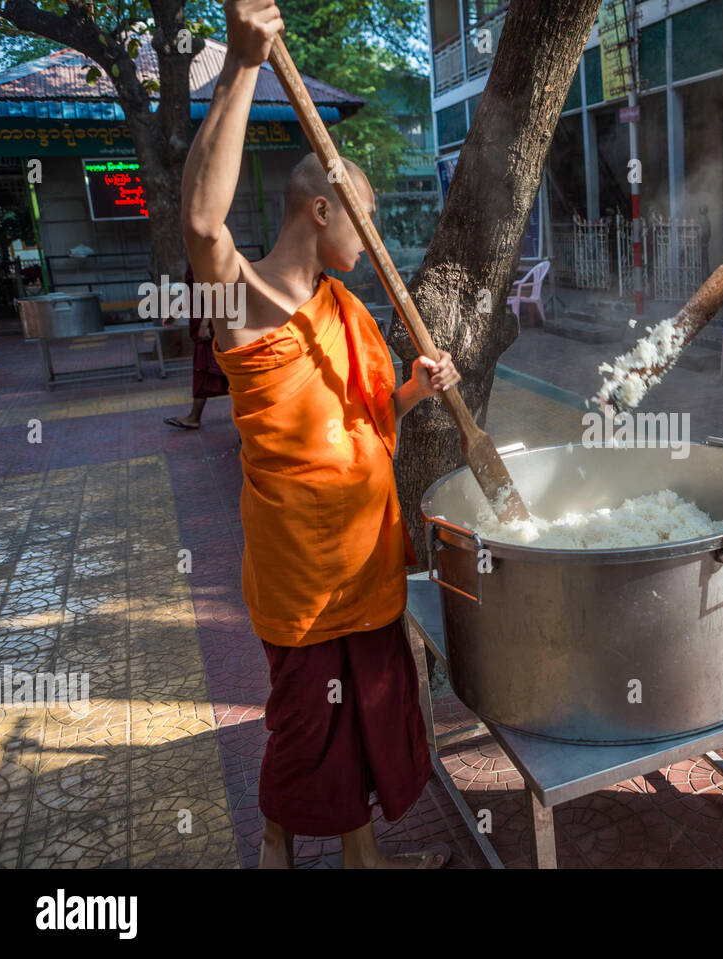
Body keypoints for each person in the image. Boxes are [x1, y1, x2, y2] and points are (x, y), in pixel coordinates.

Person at [182, 0, 460, 868]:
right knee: (309, 725)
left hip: (369, 566)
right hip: (301, 574)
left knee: (368, 717)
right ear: (319, 212)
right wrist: (241, 64)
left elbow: (364, 422)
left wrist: (411, 391)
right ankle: (279, 844)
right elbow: (200, 224)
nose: (374, 240)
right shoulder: (244, 302)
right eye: (365, 219)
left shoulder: (346, 308)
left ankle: (361, 857)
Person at [164, 266, 229, 429]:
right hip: (206, 329)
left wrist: (205, 324)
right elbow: (191, 294)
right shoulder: (194, 258)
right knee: (212, 373)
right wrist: (174, 315)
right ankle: (194, 416)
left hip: (212, 330)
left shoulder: (204, 256)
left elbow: (214, 293)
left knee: (213, 371)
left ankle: (194, 417)